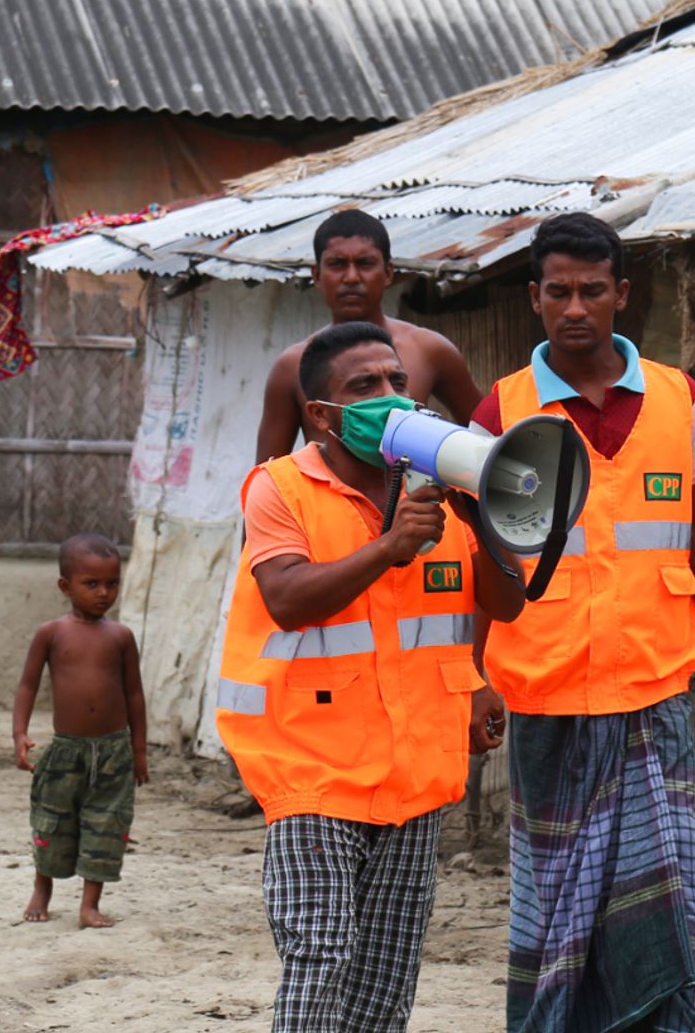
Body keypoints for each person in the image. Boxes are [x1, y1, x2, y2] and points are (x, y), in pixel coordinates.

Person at [472, 212, 695, 1033]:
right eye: (559, 291)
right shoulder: (504, 411)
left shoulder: (677, 396)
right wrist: (473, 673)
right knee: (555, 910)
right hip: (548, 696)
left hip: (656, 689)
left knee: (657, 904)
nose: (576, 307)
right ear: (534, 298)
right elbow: (477, 555)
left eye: (594, 290)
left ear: (622, 294)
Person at [217, 321, 524, 1032]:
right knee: (320, 952)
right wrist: (391, 546)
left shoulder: (440, 492)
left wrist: (489, 513)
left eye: (396, 382)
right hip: (312, 765)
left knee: (385, 979)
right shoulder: (279, 488)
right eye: (365, 387)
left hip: (417, 767)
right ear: (322, 416)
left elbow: (504, 601)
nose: (390, 397)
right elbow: (289, 600)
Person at [255, 209, 482, 462]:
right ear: (317, 275)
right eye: (337, 264)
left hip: (416, 499)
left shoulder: (429, 350)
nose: (351, 277)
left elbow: (486, 440)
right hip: (328, 500)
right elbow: (266, 475)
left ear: (388, 273)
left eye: (365, 264)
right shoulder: (292, 366)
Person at [11, 532, 148, 930]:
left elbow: (135, 695)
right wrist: (19, 734)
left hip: (113, 752)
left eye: (112, 583)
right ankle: (43, 887)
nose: (103, 593)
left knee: (107, 824)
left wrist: (138, 750)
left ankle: (90, 905)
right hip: (66, 751)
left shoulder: (120, 637)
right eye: (92, 584)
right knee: (53, 819)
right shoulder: (51, 634)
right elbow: (27, 686)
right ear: (65, 586)